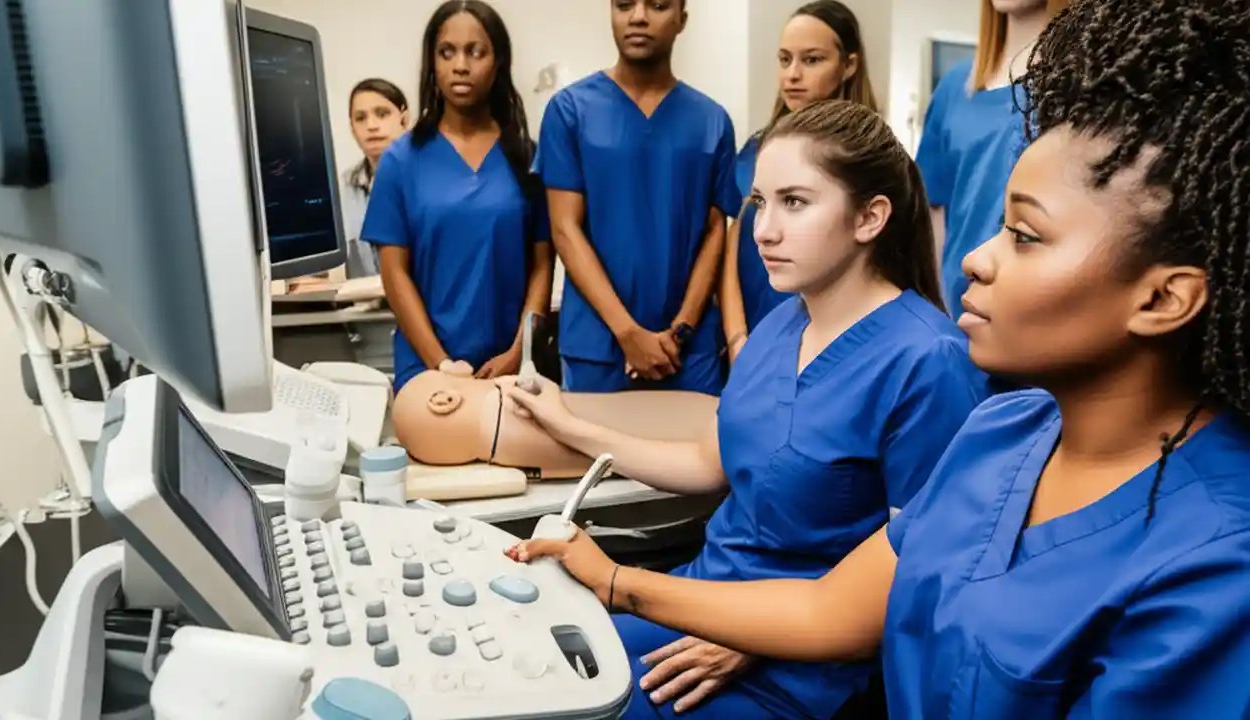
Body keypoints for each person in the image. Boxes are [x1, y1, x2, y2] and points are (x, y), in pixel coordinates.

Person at [512, 1, 1250, 717]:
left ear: (1163, 299)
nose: (975, 259)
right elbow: (828, 608)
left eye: (1024, 236)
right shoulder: (1005, 434)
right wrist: (613, 576)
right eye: (760, 203)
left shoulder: (1212, 563)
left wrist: (635, 589)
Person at [510, 100, 988, 719]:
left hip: (802, 662)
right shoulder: (781, 325)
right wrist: (568, 426)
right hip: (702, 596)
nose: (763, 230)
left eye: (795, 202)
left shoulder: (928, 362)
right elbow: (707, 463)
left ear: (870, 217)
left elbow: (914, 575)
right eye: (761, 202)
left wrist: (753, 640)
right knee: (526, 666)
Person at [534, 0, 740, 395]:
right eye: (624, 4)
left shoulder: (711, 121)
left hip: (687, 351)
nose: (639, 16)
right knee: (592, 439)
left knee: (695, 437)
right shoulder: (570, 111)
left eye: (658, 5)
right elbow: (564, 229)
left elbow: (716, 232)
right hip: (598, 347)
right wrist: (628, 333)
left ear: (681, 19)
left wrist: (680, 330)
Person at [362, 1, 553, 392]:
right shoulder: (401, 161)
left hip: (513, 367)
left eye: (476, 52)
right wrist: (442, 364)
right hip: (428, 368)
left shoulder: (526, 157)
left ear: (498, 62)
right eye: (447, 52)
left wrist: (519, 352)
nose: (460, 65)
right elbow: (394, 274)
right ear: (432, 63)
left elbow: (542, 265)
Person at [720, 1, 879, 362]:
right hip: (753, 337)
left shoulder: (871, 160)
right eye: (784, 59)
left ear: (849, 65)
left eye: (811, 60)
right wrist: (737, 340)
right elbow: (733, 247)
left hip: (836, 345)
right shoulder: (756, 151)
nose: (792, 74)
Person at [917, 0, 1066, 320]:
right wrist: (937, 309)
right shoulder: (954, 88)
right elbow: (934, 212)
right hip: (958, 309)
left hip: (1037, 307)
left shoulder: (1076, 86)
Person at [390, 369, 717, 478]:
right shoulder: (501, 414)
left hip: (709, 431)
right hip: (708, 432)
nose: (460, 368)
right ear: (445, 401)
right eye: (446, 375)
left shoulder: (500, 427)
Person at [340, 78, 409, 278]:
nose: (371, 126)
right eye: (360, 118)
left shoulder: (432, 180)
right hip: (366, 298)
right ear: (352, 128)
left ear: (404, 120)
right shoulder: (342, 190)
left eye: (382, 114)